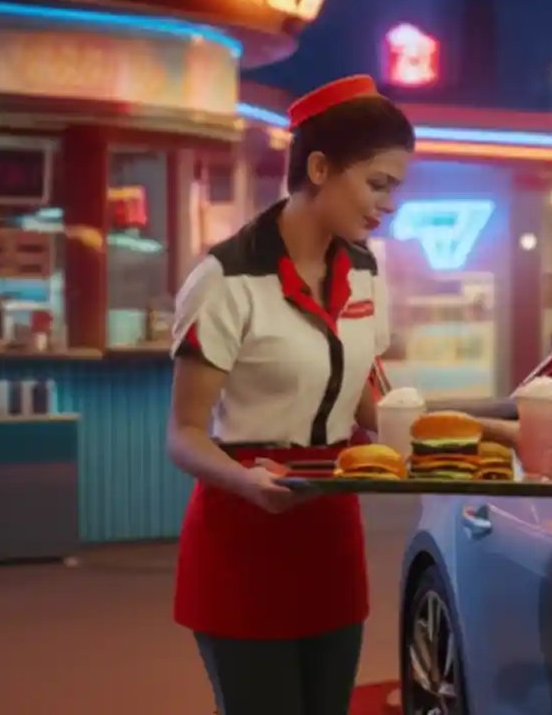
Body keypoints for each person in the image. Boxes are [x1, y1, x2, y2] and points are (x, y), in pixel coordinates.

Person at [166, 74, 413, 715]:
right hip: (244, 527)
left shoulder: (364, 270)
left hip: (331, 529)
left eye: (396, 188)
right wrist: (247, 484)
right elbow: (184, 434)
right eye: (378, 183)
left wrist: (459, 438)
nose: (388, 205)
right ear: (321, 166)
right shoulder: (227, 278)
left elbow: (369, 392)